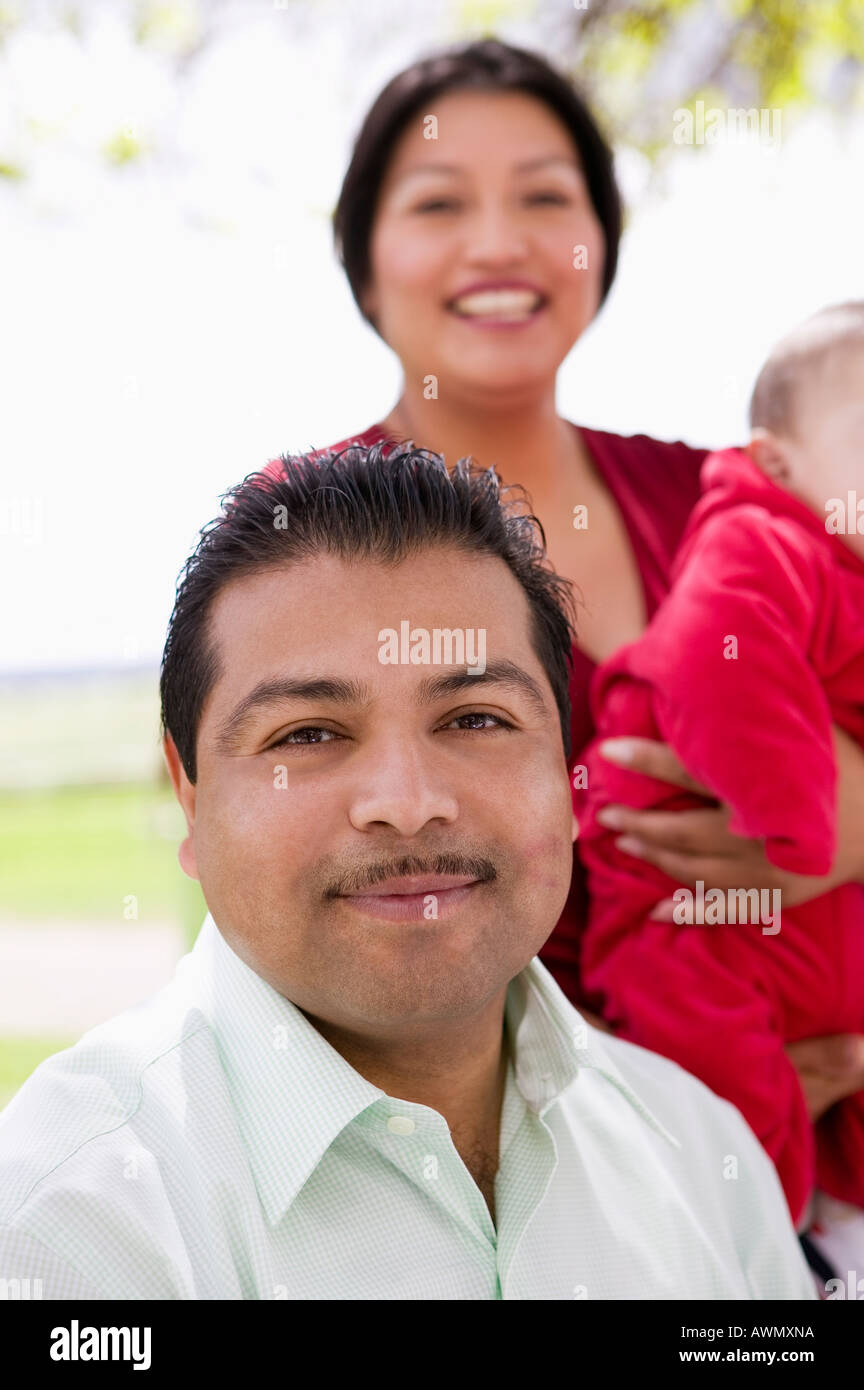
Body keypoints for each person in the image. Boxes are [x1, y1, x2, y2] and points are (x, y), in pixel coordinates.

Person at [269, 36, 864, 1270]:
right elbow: (284, 892)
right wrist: (665, 1115)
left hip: (806, 1169)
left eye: (546, 196)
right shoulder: (303, 532)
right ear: (365, 259)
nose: (500, 242)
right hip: (483, 1200)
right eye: (440, 202)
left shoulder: (722, 488)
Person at [0, 446, 816, 1298]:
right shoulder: (70, 1227)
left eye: (475, 718)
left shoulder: (700, 1154)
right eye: (307, 735)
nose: (408, 801)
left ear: (566, 773)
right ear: (189, 798)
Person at [576, 302, 864, 1272]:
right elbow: (717, 663)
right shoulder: (759, 540)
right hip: (688, 916)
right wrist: (798, 823)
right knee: (729, 1105)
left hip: (810, 935)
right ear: (782, 465)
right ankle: (752, 1263)